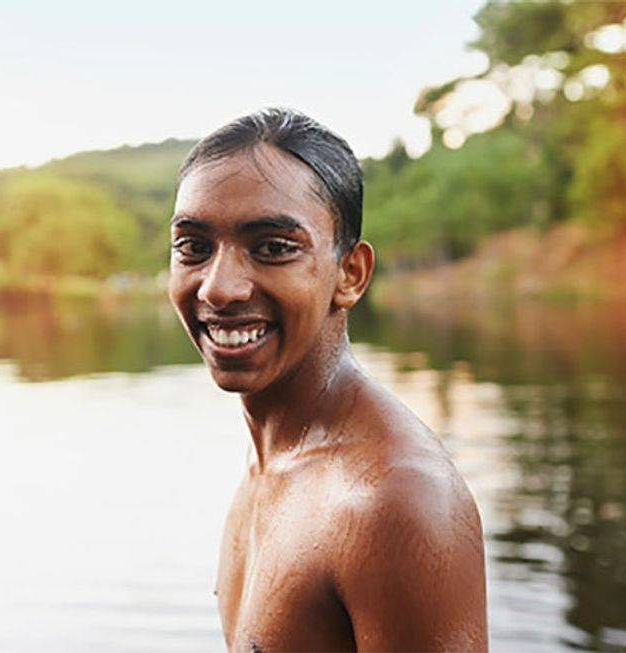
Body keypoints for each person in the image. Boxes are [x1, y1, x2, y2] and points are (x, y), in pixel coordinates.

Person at [168, 107, 487, 652]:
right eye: (194, 247)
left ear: (350, 274)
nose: (219, 289)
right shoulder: (274, 460)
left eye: (272, 248)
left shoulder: (393, 501)